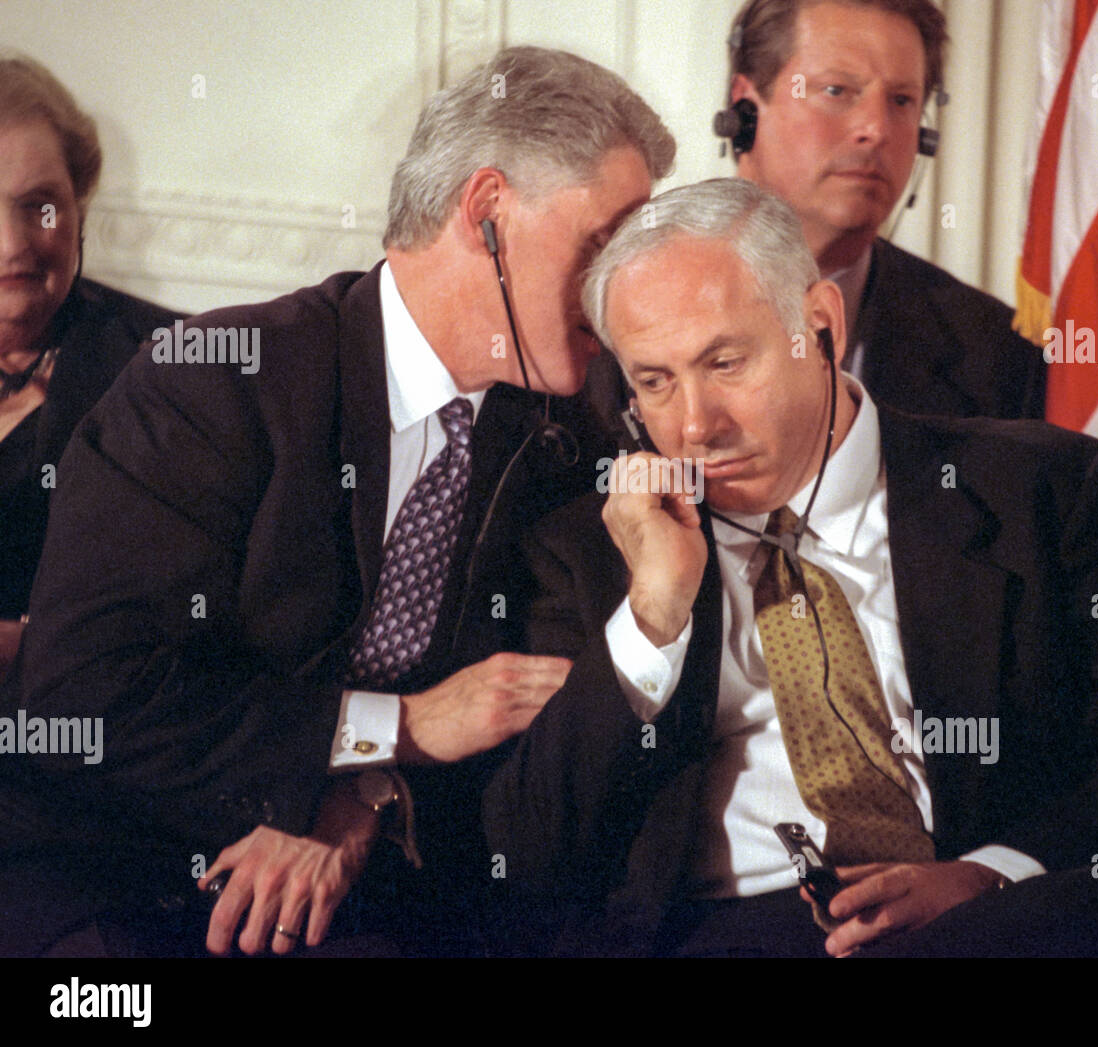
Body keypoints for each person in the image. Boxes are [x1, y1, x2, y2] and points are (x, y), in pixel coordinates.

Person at [0, 46, 674, 958]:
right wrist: (393, 731)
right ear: (486, 215)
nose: (624, 291)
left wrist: (366, 789)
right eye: (604, 246)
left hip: (360, 889)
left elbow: (542, 728)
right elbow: (84, 695)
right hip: (116, 867)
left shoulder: (576, 437)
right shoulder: (215, 383)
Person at [480, 178, 1098, 958]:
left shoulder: (1046, 493)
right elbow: (530, 856)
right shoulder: (587, 550)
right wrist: (653, 613)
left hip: (990, 922)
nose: (693, 424)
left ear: (819, 325)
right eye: (654, 381)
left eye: (725, 362)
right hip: (737, 932)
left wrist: (989, 875)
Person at [723, 0, 1043, 419]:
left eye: (901, 100)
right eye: (836, 91)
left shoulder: (999, 356)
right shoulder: (633, 304)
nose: (875, 129)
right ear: (745, 110)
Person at [0, 52, 181, 677]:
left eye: (40, 205)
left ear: (80, 212)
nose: (12, 242)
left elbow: (185, 624)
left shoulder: (171, 368)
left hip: (75, 752)